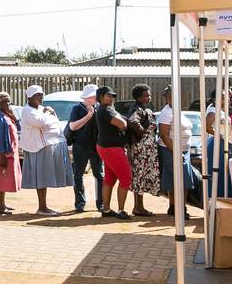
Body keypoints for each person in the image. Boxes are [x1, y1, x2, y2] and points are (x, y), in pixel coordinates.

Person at [20, 85, 70, 216]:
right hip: (36, 148)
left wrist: (49, 114)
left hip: (44, 147)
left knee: (44, 178)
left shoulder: (42, 109)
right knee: (40, 178)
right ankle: (42, 208)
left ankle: (44, 206)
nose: (40, 97)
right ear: (29, 97)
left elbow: (54, 122)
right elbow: (41, 122)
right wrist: (49, 113)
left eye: (41, 94)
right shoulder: (27, 110)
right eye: (37, 95)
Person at [94, 85, 131, 220]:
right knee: (126, 178)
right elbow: (122, 124)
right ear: (101, 97)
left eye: (113, 96)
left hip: (106, 147)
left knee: (110, 178)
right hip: (112, 148)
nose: (112, 98)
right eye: (108, 95)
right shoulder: (106, 110)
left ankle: (106, 209)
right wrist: (124, 121)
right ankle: (121, 210)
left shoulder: (105, 109)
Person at [156, 86, 194, 217]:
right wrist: (176, 152)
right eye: (171, 97)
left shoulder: (178, 111)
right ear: (166, 98)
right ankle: (179, 208)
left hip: (183, 151)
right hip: (171, 150)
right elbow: (164, 135)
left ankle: (174, 207)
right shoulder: (167, 112)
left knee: (177, 180)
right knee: (181, 180)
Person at [126, 84, 164, 217]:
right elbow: (132, 121)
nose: (149, 97)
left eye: (149, 94)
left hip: (146, 150)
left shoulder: (143, 109)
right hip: (141, 150)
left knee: (140, 177)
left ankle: (138, 206)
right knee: (139, 176)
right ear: (139, 97)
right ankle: (138, 208)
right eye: (146, 95)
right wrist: (144, 132)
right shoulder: (137, 109)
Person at [67, 84, 103, 213]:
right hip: (80, 146)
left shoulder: (100, 108)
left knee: (99, 174)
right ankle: (80, 203)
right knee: (78, 174)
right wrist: (88, 116)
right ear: (88, 97)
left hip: (97, 146)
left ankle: (101, 203)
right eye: (95, 96)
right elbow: (72, 127)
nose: (97, 98)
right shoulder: (77, 108)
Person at [0, 91, 21, 215]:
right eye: (5, 102)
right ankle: (0, 206)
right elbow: (0, 138)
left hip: (10, 153)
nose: (8, 104)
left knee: (5, 179)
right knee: (1, 179)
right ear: (0, 103)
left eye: (9, 101)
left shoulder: (7, 116)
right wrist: (2, 157)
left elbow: (19, 128)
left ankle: (3, 204)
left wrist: (14, 117)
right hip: (2, 153)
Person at [203, 89, 232, 197]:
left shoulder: (221, 110)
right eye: (222, 97)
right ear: (214, 99)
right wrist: (219, 137)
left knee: (224, 174)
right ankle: (216, 200)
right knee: (219, 174)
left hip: (226, 143)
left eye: (226, 97)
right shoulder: (213, 110)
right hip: (219, 144)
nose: (226, 99)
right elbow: (207, 126)